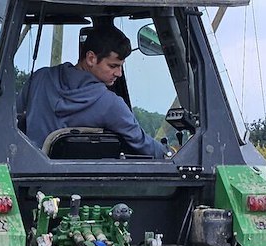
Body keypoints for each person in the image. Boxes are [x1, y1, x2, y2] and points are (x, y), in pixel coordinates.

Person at [18, 25, 167, 159]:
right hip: (79, 184)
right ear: (91, 58)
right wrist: (170, 154)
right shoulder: (109, 104)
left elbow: (13, 119)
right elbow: (143, 144)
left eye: (120, 66)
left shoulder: (39, 79)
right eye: (113, 66)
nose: (119, 73)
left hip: (27, 174)